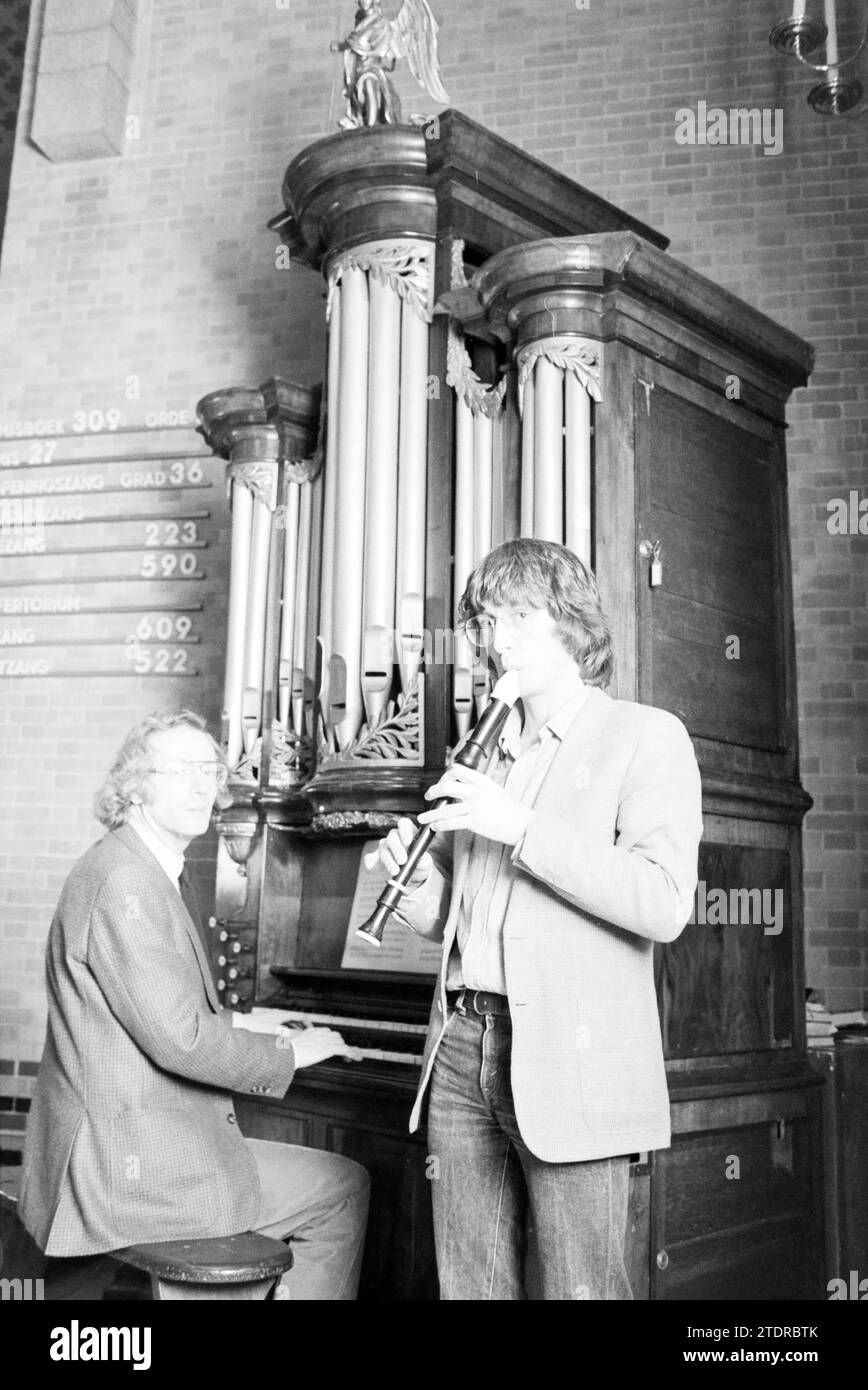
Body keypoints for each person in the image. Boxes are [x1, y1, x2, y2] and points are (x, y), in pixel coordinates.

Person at [377, 538, 703, 1300]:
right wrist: (419, 889)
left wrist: (519, 825)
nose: (497, 641)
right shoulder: (481, 752)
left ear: (573, 624)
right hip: (460, 1042)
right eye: (488, 621)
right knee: (471, 1289)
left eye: (519, 617)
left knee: (581, 1290)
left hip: (571, 1050)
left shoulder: (645, 737)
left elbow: (663, 903)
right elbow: (465, 921)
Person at [20, 709, 369, 1300]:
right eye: (180, 770)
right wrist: (287, 1051)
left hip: (131, 1137)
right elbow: (179, 1037)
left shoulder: (142, 866)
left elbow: (155, 1003)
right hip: (125, 1164)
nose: (203, 785)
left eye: (210, 769)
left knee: (330, 1179)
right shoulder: (126, 882)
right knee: (341, 1185)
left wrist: (252, 1021)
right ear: (134, 785)